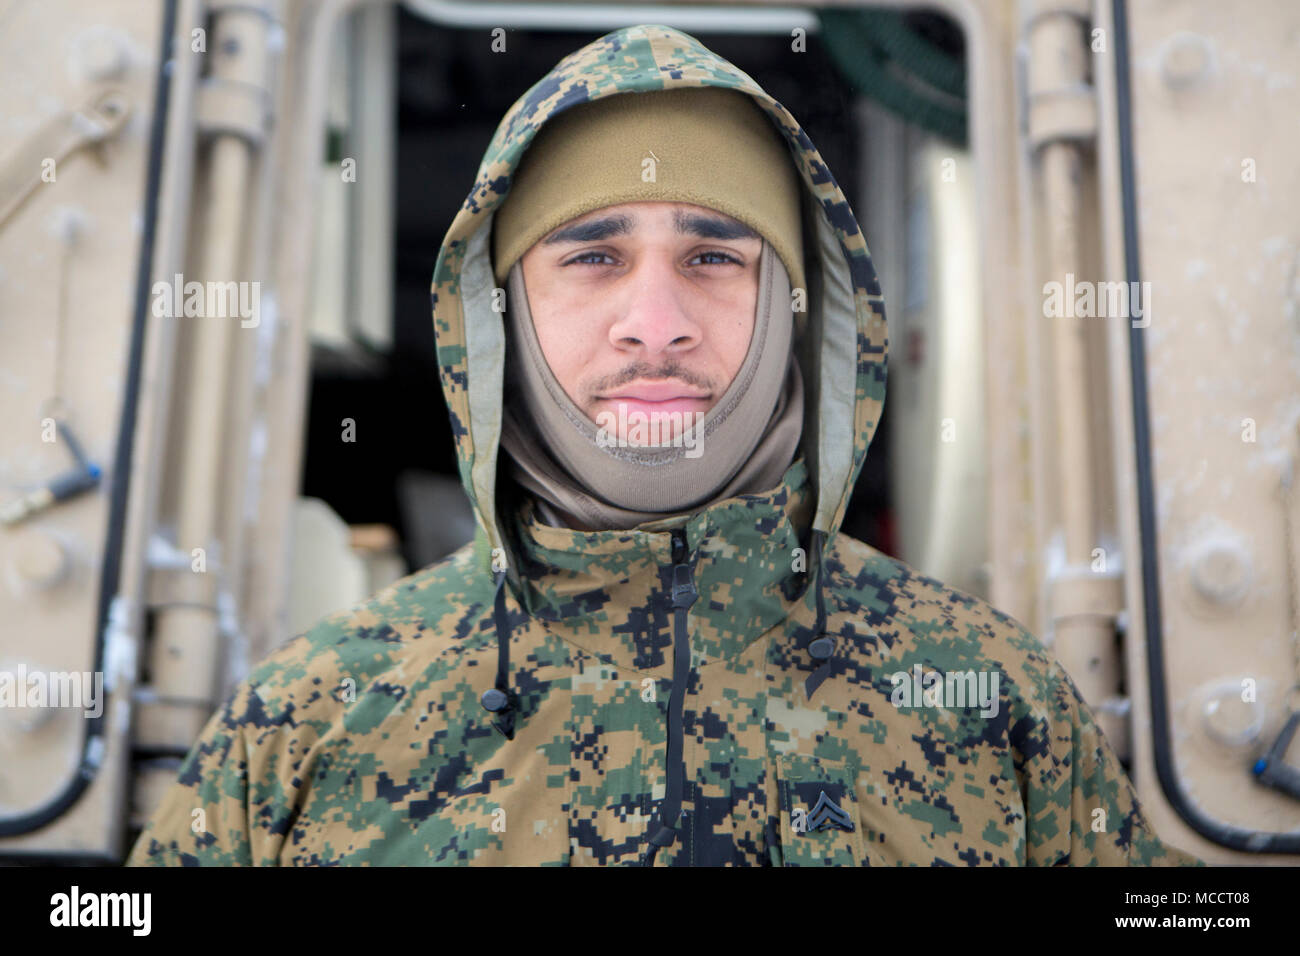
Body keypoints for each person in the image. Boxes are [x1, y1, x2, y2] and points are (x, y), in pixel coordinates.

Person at [128, 23, 1202, 866]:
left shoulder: (990, 693)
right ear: (501, 311)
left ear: (792, 303)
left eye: (714, 257)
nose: (655, 320)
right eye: (592, 255)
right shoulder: (314, 713)